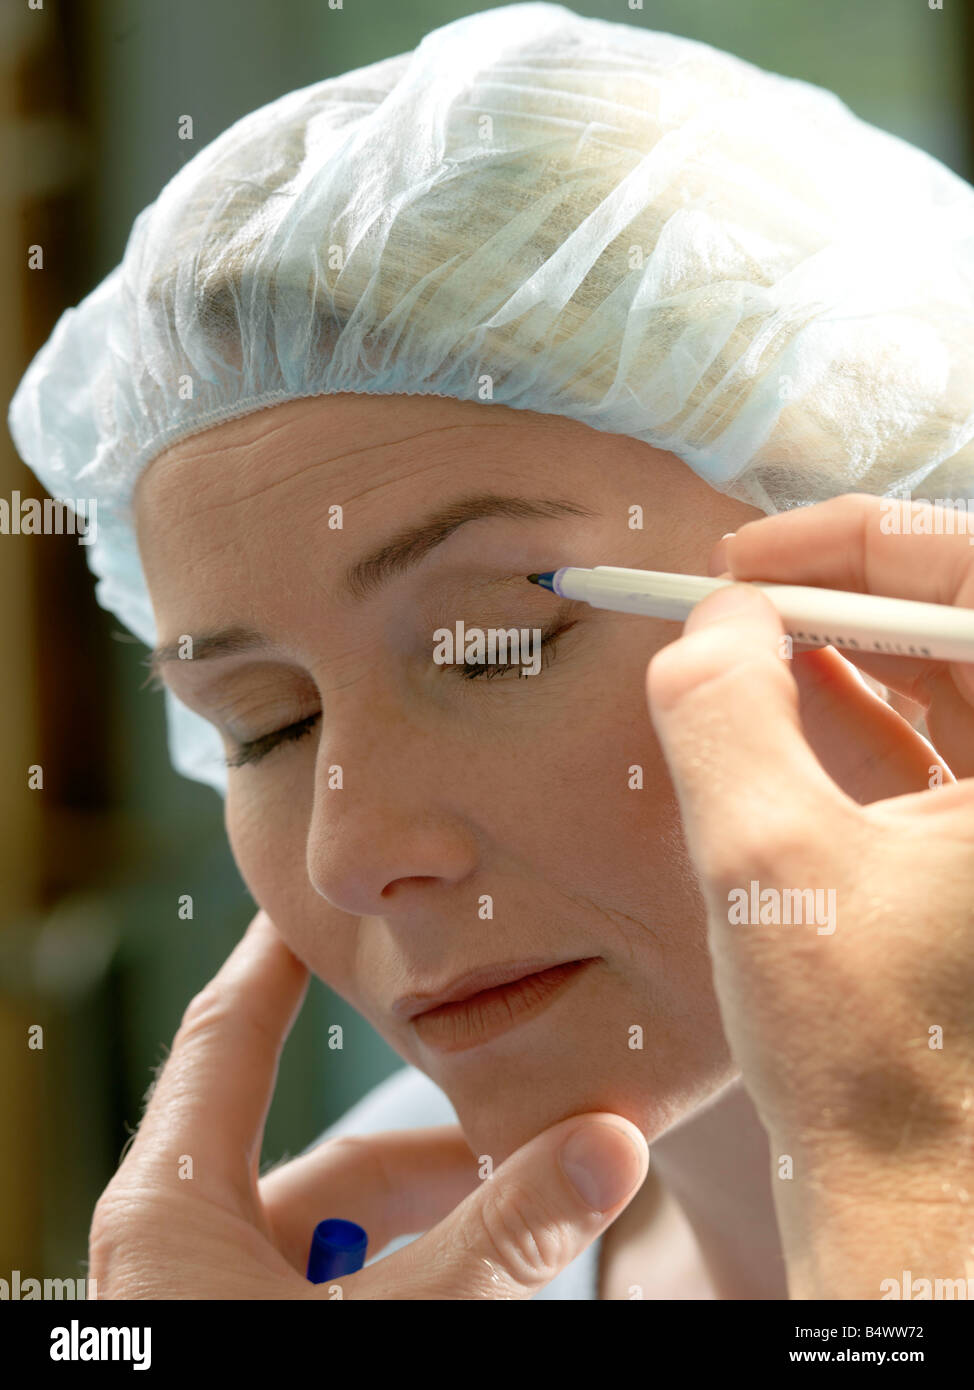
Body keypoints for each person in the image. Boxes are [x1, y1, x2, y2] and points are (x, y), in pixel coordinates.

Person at [8, 4, 974, 1299]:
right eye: (261, 725)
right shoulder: (338, 1255)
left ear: (895, 602)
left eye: (496, 646)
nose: (348, 855)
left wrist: (906, 1195)